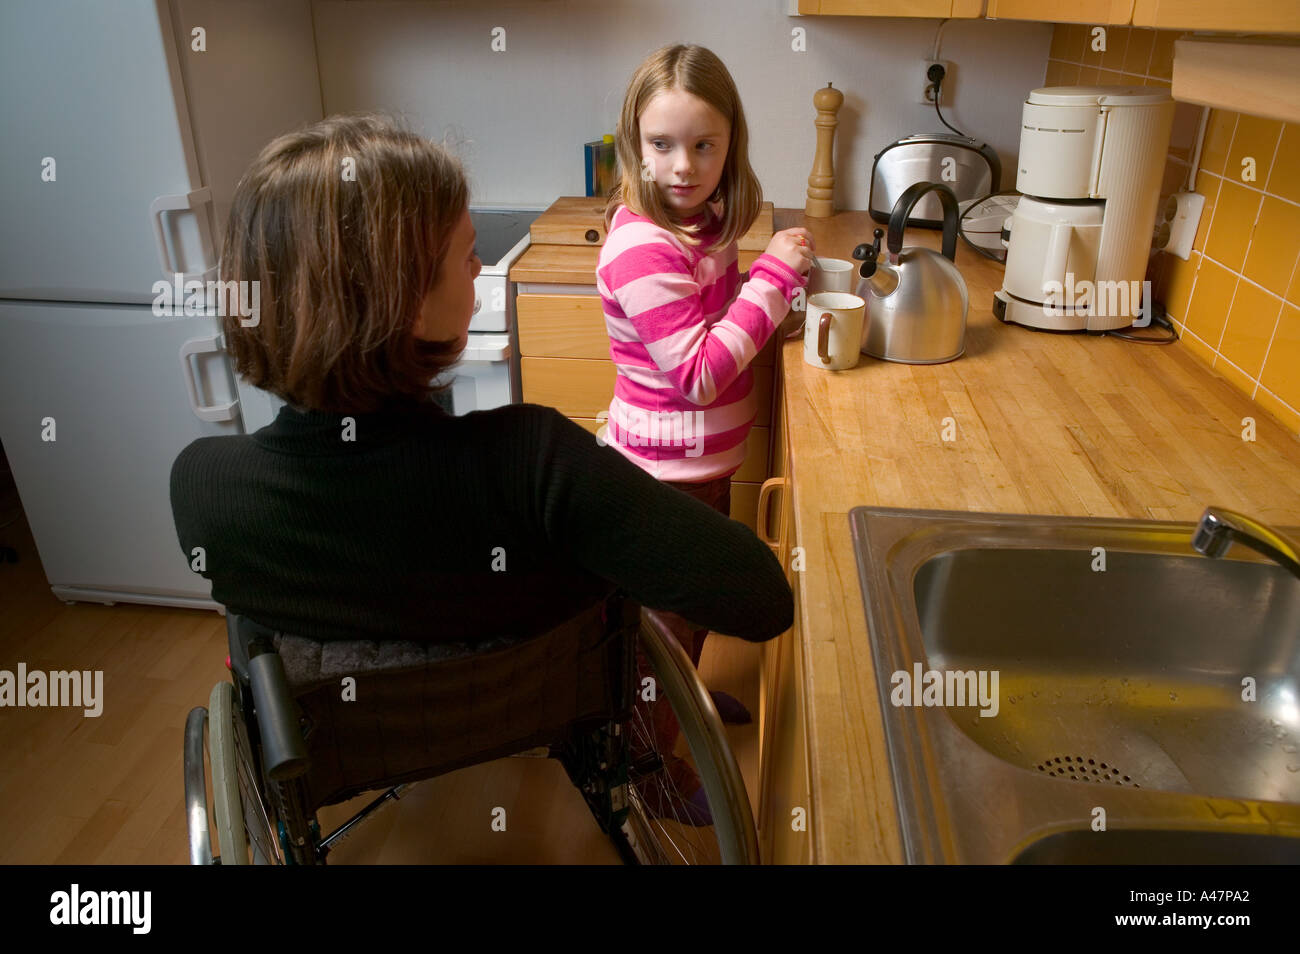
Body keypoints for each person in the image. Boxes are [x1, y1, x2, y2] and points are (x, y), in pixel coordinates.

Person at [169, 112, 793, 827]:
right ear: (404, 309)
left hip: (342, 750)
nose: (479, 270)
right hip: (527, 717)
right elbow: (761, 597)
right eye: (468, 256)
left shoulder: (204, 489)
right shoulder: (533, 465)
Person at [597, 44, 813, 785]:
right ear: (636, 145)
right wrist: (775, 279)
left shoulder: (703, 222)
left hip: (700, 466)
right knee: (663, 626)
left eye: (703, 145)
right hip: (664, 475)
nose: (683, 165)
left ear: (730, 145)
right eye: (662, 145)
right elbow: (697, 373)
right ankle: (648, 766)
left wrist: (767, 301)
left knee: (686, 620)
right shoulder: (642, 249)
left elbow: (718, 318)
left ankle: (680, 706)